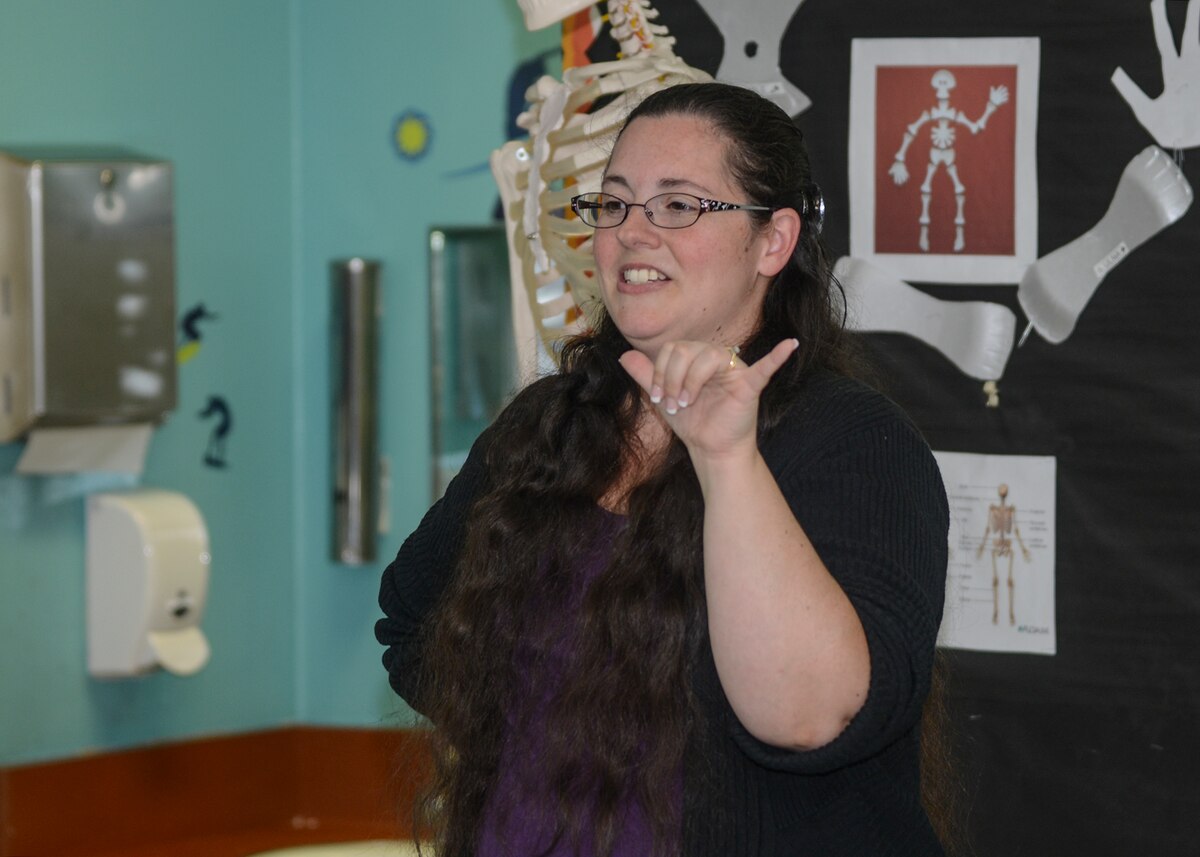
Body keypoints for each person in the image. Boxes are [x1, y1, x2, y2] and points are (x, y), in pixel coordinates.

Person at [376, 81, 951, 857]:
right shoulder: (547, 425)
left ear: (773, 241)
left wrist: (724, 455)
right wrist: (552, 756)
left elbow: (811, 718)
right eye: (614, 204)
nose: (633, 234)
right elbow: (413, 625)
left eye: (679, 206)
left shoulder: (856, 443)